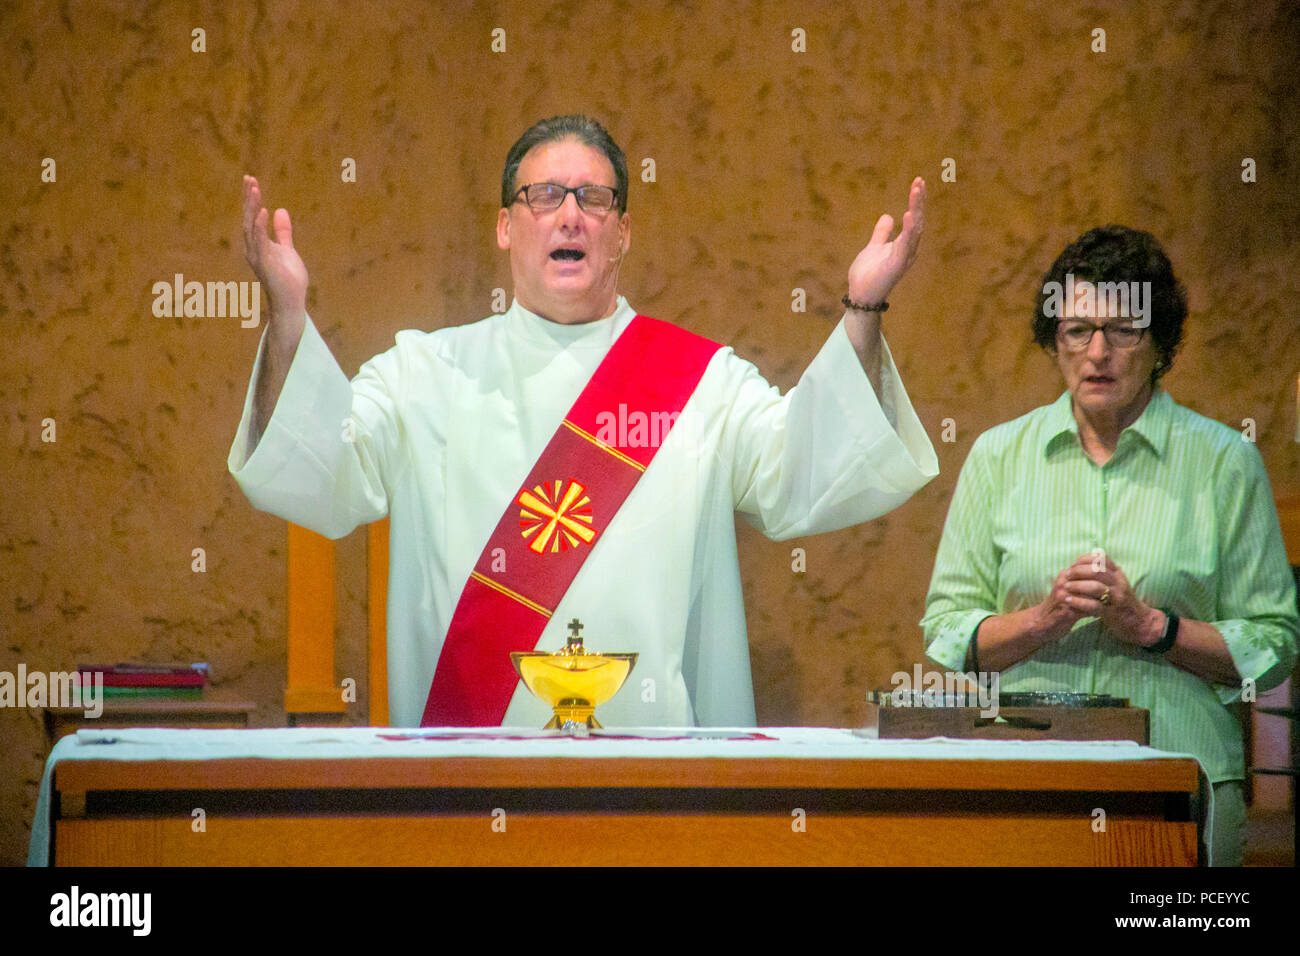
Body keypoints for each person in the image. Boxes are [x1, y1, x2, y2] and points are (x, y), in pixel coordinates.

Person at [230, 114, 938, 729]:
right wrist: (288, 319)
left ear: (622, 232)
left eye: (593, 199)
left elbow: (807, 474)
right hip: (467, 786)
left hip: (654, 787)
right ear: (506, 227)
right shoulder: (424, 373)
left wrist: (862, 313)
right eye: (543, 196)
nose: (569, 215)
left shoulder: (702, 384)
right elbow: (313, 475)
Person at [921, 224, 1298, 865]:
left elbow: (1275, 643)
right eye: (1076, 330)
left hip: (1181, 788)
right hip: (1028, 783)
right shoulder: (997, 456)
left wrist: (1152, 625)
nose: (1098, 352)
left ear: (1159, 343)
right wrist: (1045, 619)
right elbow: (948, 633)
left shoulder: (1223, 461)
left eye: (1123, 330)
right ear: (1054, 341)